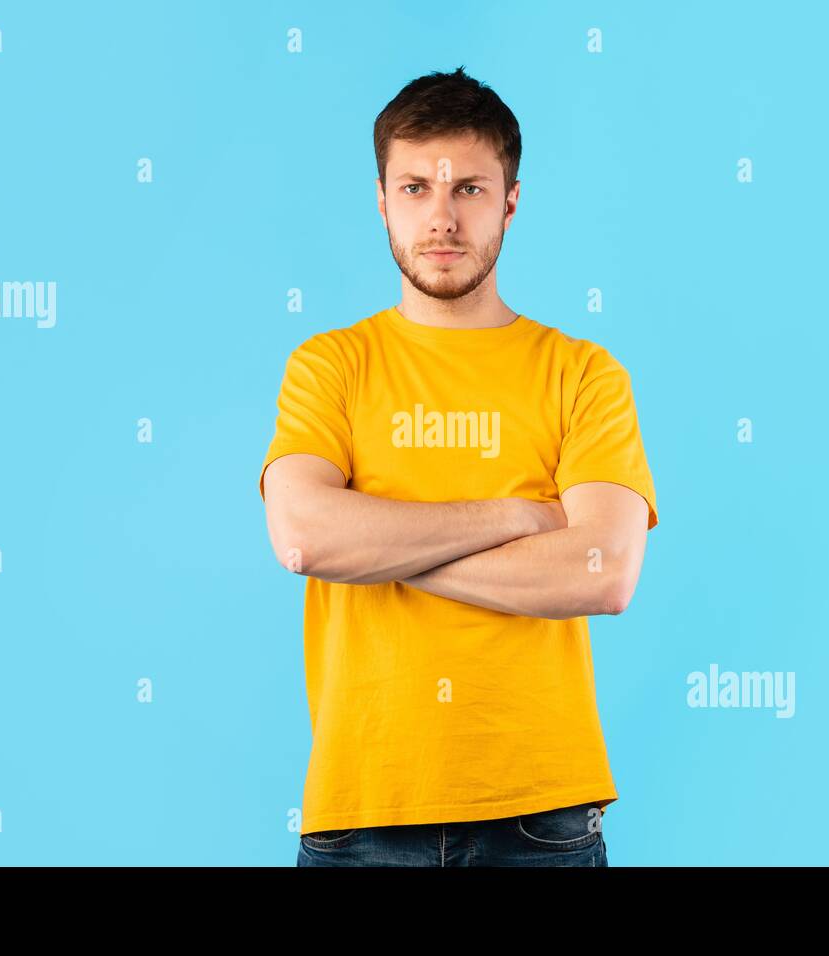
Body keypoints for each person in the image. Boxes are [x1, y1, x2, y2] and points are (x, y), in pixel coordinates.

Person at [258, 66, 658, 866]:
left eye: (469, 189)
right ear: (380, 201)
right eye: (414, 189)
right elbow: (304, 537)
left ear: (511, 201)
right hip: (362, 808)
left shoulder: (581, 373)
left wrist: (377, 549)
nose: (440, 218)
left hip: (542, 814)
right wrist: (517, 517)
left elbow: (602, 570)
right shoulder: (330, 365)